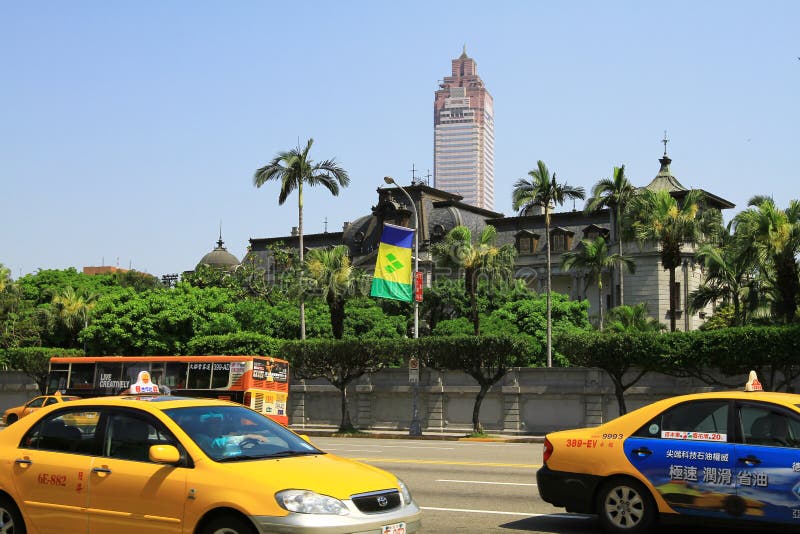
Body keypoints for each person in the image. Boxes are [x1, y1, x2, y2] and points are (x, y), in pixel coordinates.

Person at [187, 412, 269, 457]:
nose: (219, 426)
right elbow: (219, 443)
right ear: (205, 425)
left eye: (220, 423)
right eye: (214, 423)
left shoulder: (218, 437)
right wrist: (246, 436)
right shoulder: (199, 438)